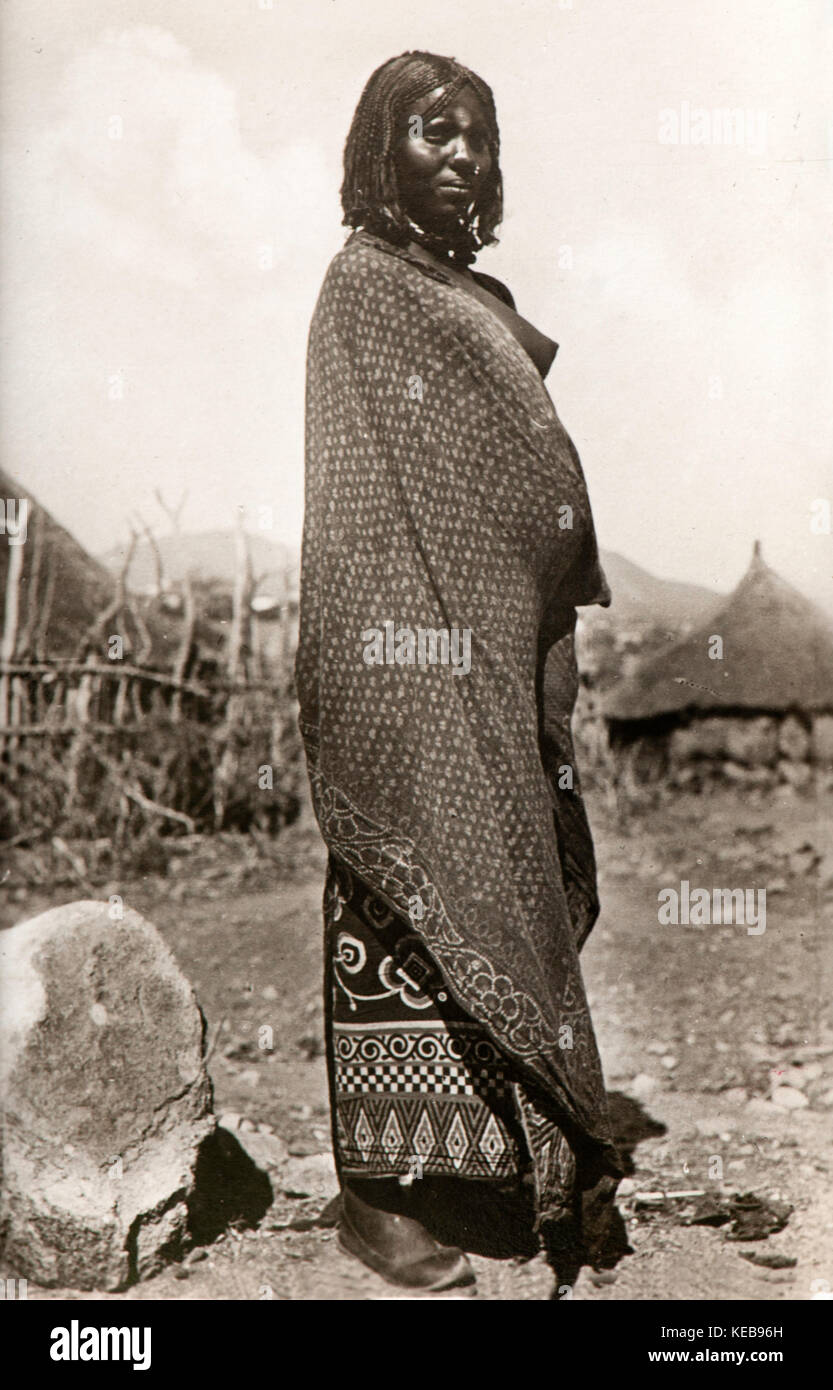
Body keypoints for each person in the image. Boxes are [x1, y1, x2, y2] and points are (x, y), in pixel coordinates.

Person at [295, 50, 622, 1293]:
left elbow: (512, 478)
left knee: (504, 874)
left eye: (477, 134)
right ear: (381, 147)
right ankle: (379, 1198)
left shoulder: (471, 294)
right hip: (398, 659)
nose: (462, 154)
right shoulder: (364, 292)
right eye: (434, 129)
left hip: (490, 650)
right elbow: (364, 500)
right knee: (403, 887)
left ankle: (488, 1163)